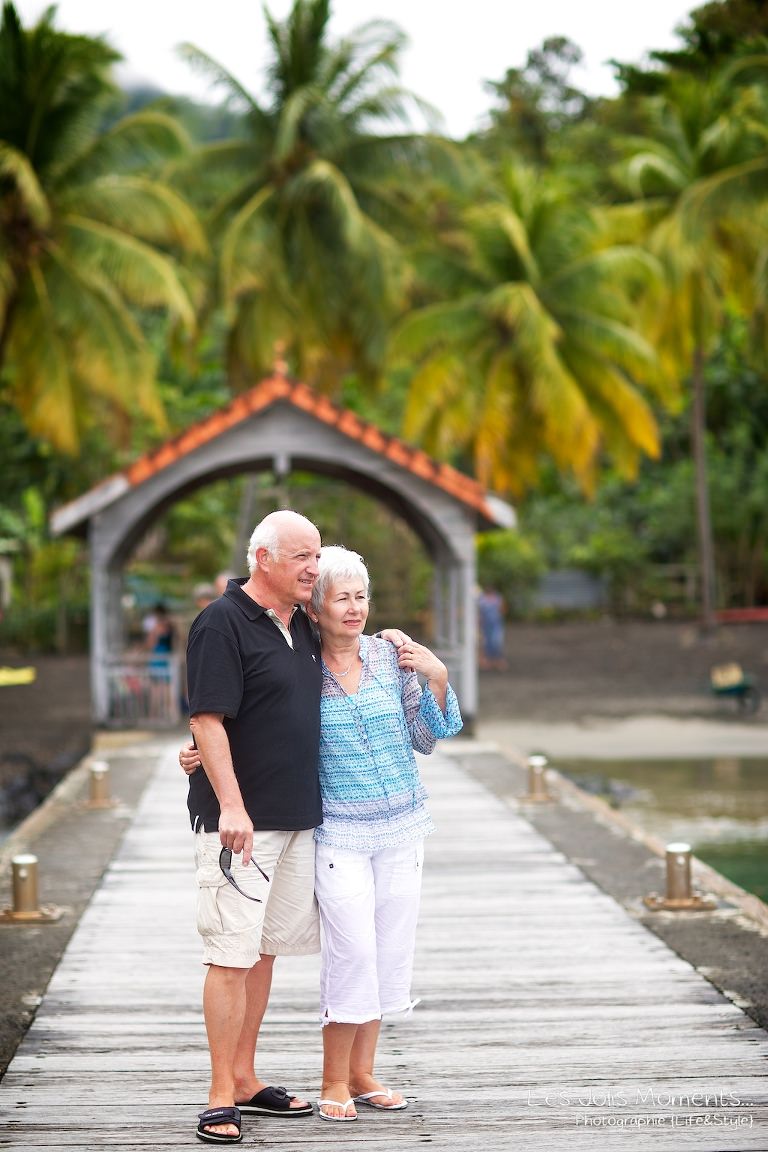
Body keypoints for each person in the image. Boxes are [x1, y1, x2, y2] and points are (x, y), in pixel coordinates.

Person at [182, 545, 462, 1124]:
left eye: (362, 596)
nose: (354, 609)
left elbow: (429, 736)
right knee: (349, 950)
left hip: (399, 825)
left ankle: (360, 1073)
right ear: (316, 608)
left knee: (384, 951)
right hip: (333, 830)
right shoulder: (301, 656)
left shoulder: (388, 657)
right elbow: (245, 711)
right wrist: (201, 756)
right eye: (341, 597)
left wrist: (436, 673)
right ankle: (322, 1078)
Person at [185, 510, 324, 1144]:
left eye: (316, 556)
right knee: (229, 955)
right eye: (300, 557)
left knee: (263, 952)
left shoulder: (305, 626)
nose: (312, 569)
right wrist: (233, 808)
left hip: (298, 817)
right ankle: (219, 1095)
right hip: (240, 823)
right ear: (262, 559)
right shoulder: (221, 622)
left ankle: (245, 1076)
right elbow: (207, 720)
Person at [477, 585, 507, 670]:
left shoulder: (497, 598)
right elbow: (480, 611)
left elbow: (502, 609)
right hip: (486, 624)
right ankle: (487, 661)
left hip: (496, 624)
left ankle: (498, 660)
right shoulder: (482, 599)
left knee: (497, 641)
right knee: (486, 642)